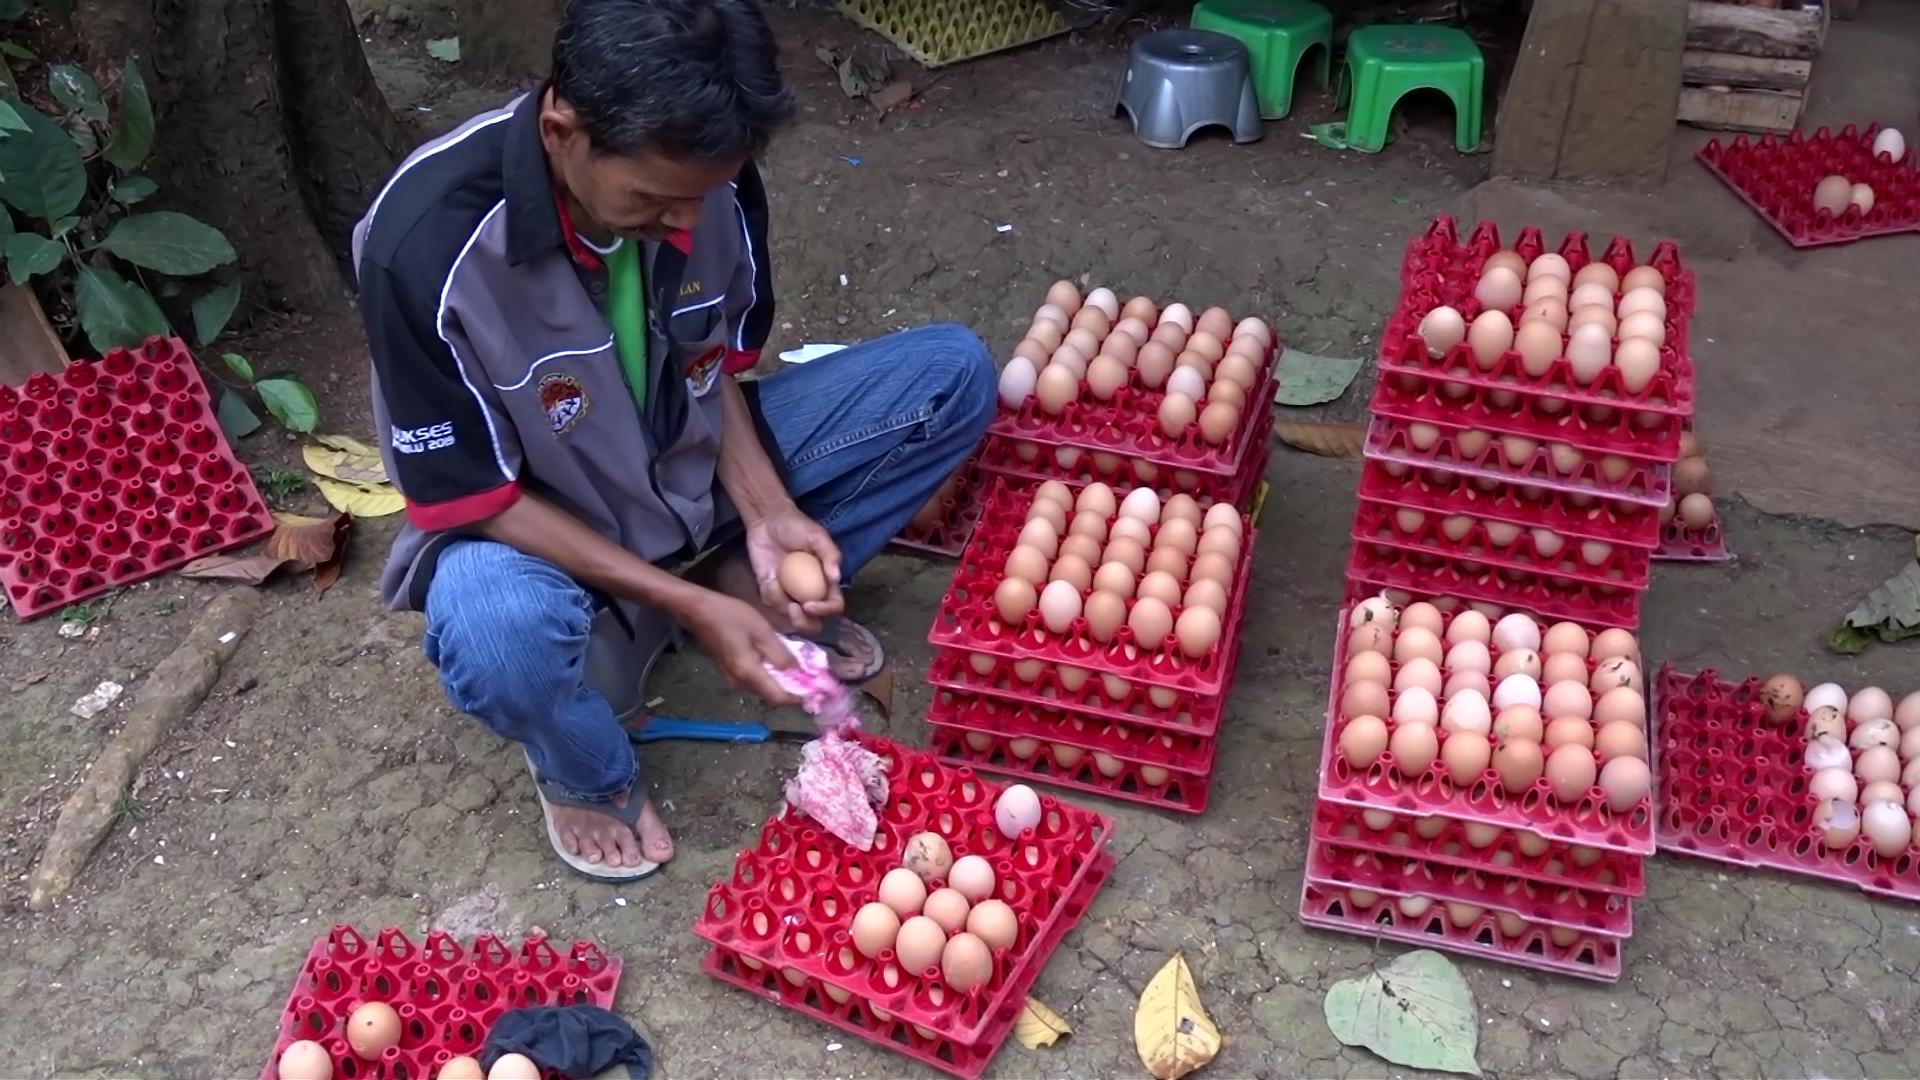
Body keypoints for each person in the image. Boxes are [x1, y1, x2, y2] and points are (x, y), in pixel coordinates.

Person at [352, 0, 995, 882]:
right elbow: (474, 495)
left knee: (950, 376)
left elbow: (710, 368)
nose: (687, 225)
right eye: (656, 200)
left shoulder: (710, 184)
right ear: (562, 129)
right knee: (502, 634)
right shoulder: (423, 244)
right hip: (549, 535)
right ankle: (588, 766)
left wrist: (766, 517)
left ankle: (730, 571)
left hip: (686, 482)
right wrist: (691, 607)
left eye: (702, 196)